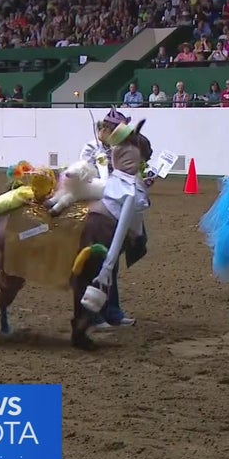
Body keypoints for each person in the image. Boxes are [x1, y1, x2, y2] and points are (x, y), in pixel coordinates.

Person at [82, 107, 139, 329]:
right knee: (96, 261)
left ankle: (112, 312)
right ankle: (93, 314)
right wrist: (102, 165)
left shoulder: (120, 150)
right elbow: (85, 176)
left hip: (113, 209)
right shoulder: (90, 148)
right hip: (94, 209)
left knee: (111, 263)